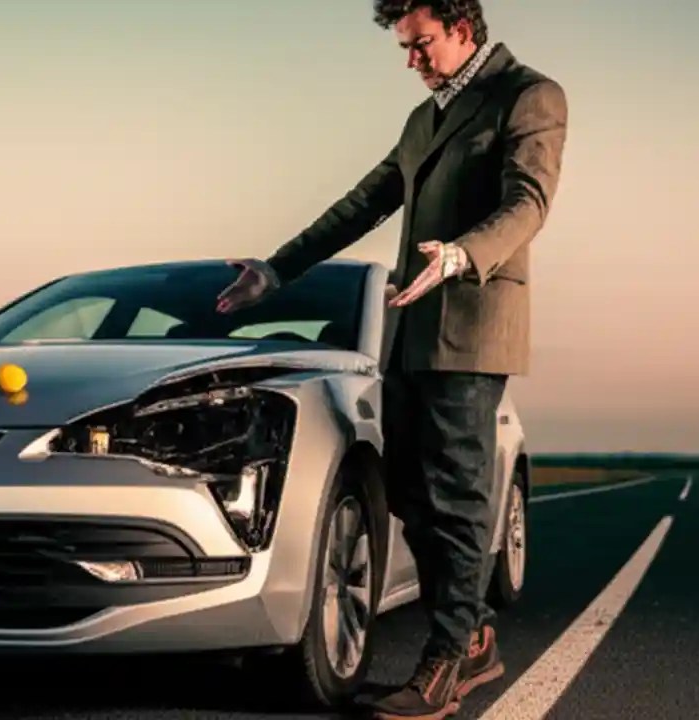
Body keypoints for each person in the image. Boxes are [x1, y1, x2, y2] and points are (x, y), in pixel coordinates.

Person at [216, 1, 567, 718]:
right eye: (405, 47)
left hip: (472, 325)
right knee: (406, 487)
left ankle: (447, 660)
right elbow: (362, 204)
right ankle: (471, 637)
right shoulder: (422, 120)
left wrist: (464, 254)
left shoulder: (528, 95)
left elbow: (529, 201)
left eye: (421, 43)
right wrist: (278, 270)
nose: (411, 60)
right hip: (409, 332)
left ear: (462, 27)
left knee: (458, 496)